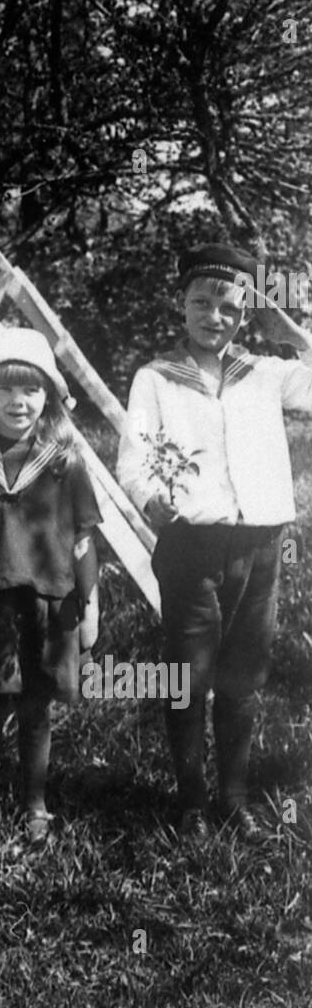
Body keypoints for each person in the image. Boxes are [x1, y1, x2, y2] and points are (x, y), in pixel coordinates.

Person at [117, 243, 312, 843]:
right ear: (182, 306)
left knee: (244, 675)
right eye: (201, 303)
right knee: (188, 675)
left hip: (260, 543)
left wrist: (287, 320)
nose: (214, 317)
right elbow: (133, 463)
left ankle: (235, 798)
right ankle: (192, 803)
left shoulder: (268, 374)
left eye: (230, 307)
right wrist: (154, 501)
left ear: (247, 315)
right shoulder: (155, 378)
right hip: (190, 546)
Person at [0, 328, 101, 846]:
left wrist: (89, 605)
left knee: (37, 708)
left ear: (47, 396)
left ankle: (34, 802)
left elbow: (82, 540)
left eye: (29, 390)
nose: (17, 402)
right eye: (5, 389)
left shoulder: (63, 461)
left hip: (45, 600)